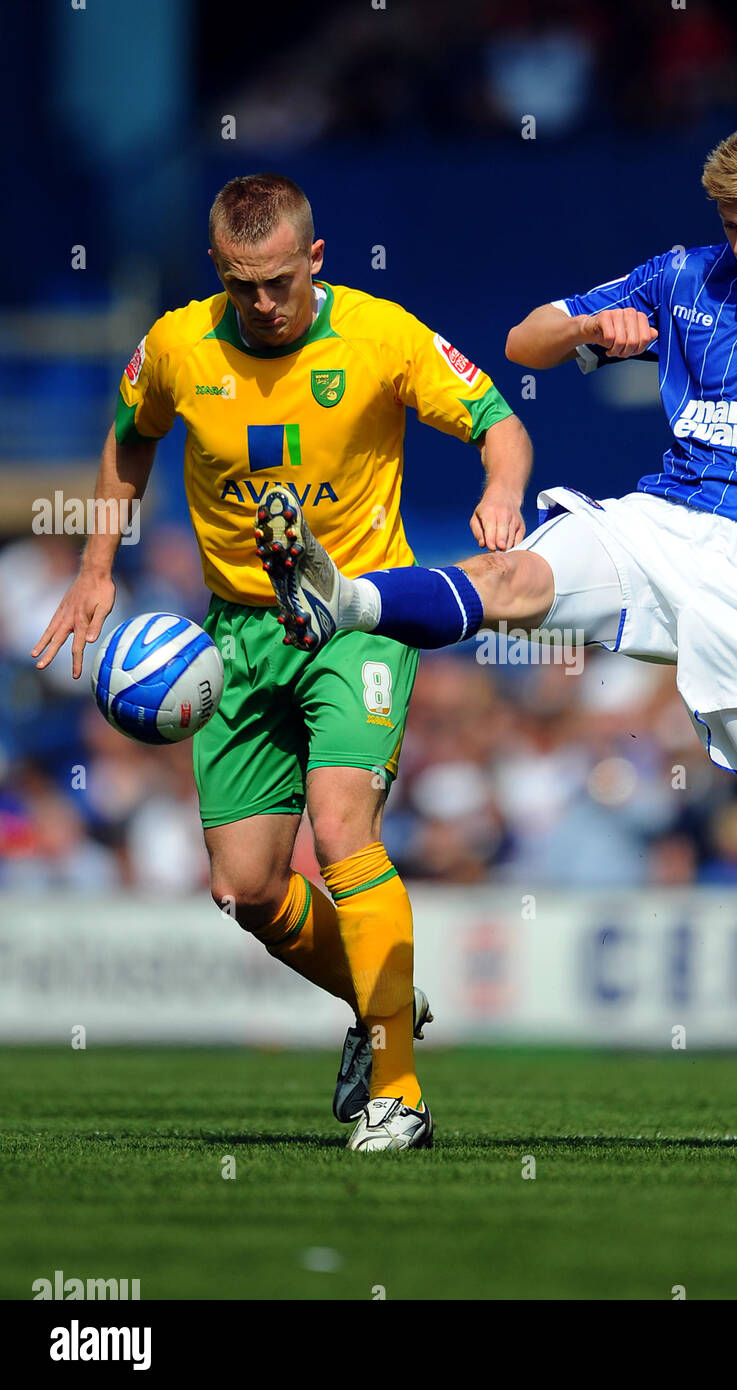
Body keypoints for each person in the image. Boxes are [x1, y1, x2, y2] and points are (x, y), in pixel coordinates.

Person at [255, 119, 737, 1150]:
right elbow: (525, 339)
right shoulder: (686, 274)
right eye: (729, 224)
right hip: (664, 522)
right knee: (516, 577)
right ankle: (339, 598)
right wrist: (590, 332)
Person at [32, 173, 532, 1152]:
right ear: (217, 270)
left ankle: (400, 1090)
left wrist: (502, 492)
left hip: (356, 614)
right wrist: (96, 566)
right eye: (242, 284)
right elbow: (128, 440)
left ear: (315, 259)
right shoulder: (177, 346)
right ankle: (381, 998)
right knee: (246, 886)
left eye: (279, 282)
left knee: (343, 821)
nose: (263, 304)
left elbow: (499, 422)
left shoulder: (382, 336)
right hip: (234, 637)